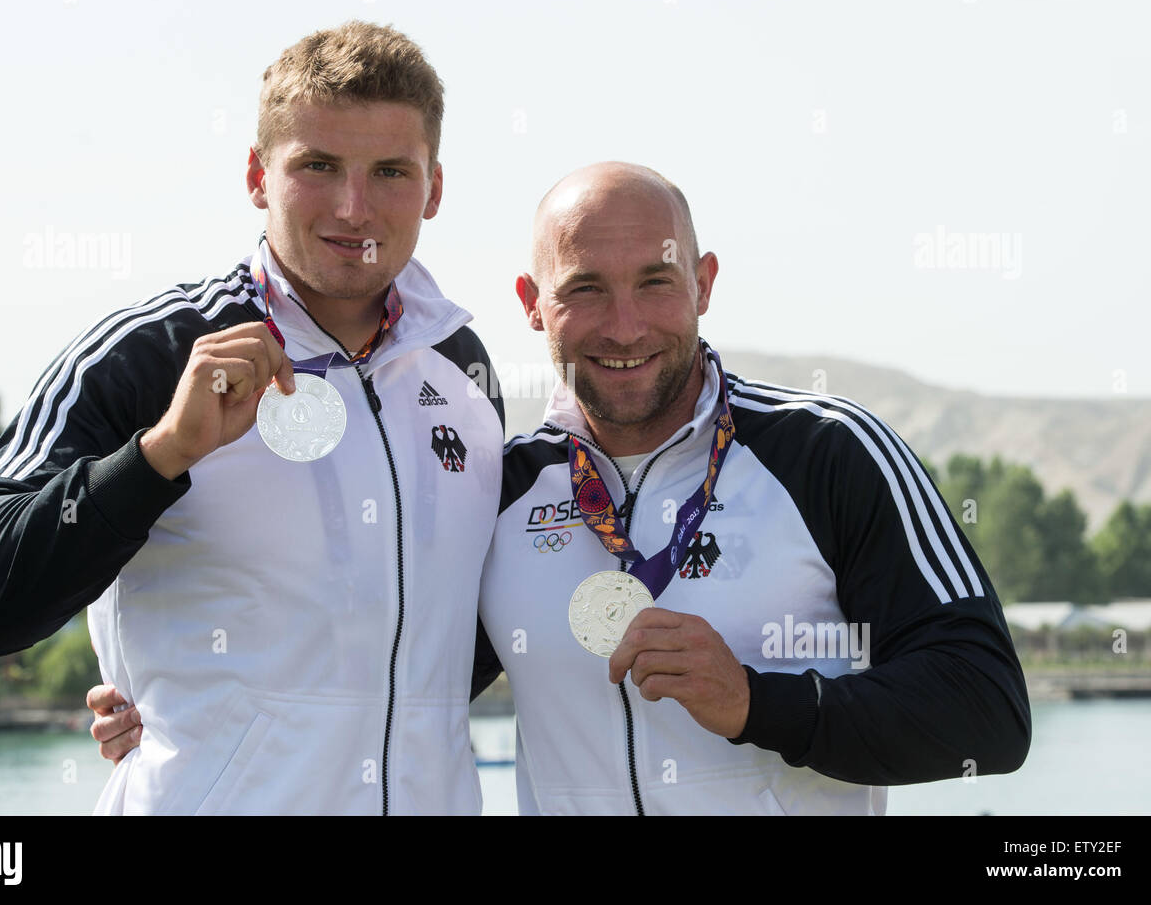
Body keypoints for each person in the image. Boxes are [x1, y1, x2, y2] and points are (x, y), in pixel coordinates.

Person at [92, 161, 1031, 815]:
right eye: (584, 288)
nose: (623, 326)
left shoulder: (831, 452)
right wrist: (187, 706)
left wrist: (757, 701)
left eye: (655, 282)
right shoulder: (499, 487)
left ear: (703, 283)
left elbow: (987, 714)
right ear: (531, 304)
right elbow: (385, 674)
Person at [0, 21, 505, 815]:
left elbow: (447, 636)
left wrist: (265, 706)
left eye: (391, 172)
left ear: (435, 188)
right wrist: (160, 455)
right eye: (318, 166)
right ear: (256, 177)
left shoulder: (462, 364)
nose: (353, 206)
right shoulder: (147, 353)